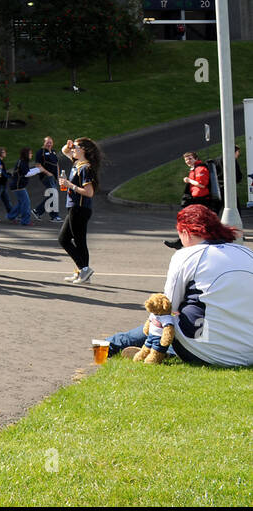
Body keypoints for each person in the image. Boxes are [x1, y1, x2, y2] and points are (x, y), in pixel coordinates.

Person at [106, 205, 253, 367]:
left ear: (186, 233)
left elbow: (168, 306)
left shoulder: (186, 255)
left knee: (163, 318)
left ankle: (111, 344)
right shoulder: (246, 253)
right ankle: (166, 351)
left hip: (205, 350)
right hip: (248, 350)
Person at [59, 137, 101, 285]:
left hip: (80, 208)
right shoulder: (77, 163)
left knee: (75, 241)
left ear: (83, 150)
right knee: (66, 239)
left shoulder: (85, 168)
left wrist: (69, 185)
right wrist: (69, 144)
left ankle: (84, 269)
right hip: (73, 207)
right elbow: (64, 150)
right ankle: (83, 272)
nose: (72, 150)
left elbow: (89, 192)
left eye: (76, 147)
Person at [32, 136, 64, 223]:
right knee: (54, 194)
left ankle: (39, 211)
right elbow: (38, 165)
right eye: (47, 142)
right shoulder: (40, 152)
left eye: (50, 142)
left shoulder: (53, 152)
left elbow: (56, 164)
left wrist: (58, 175)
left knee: (53, 195)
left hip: (53, 177)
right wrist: (48, 173)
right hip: (46, 177)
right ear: (44, 143)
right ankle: (53, 216)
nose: (49, 144)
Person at [5, 147, 36, 226]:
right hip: (18, 186)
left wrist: (38, 169)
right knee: (26, 203)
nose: (31, 154)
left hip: (17, 186)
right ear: (26, 154)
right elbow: (26, 174)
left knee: (21, 203)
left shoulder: (22, 162)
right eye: (30, 153)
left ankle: (11, 216)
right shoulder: (22, 162)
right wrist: (39, 170)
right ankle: (25, 221)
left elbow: (26, 172)